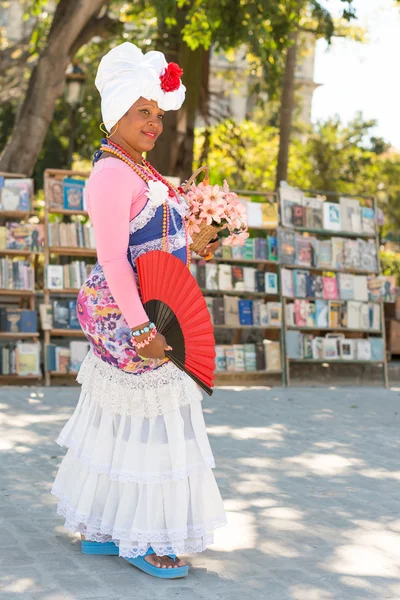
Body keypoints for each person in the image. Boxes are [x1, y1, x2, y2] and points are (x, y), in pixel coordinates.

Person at [51, 42, 226, 579]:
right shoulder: (109, 175)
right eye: (141, 112)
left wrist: (194, 244)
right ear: (117, 114)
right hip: (128, 310)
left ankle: (106, 526)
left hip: (148, 303)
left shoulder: (143, 171)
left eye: (156, 112)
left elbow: (153, 241)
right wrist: (141, 326)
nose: (154, 123)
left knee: (131, 419)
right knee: (155, 419)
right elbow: (111, 257)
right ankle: (142, 536)